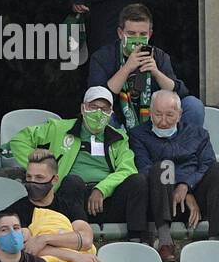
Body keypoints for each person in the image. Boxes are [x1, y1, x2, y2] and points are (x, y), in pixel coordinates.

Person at [8, 87, 148, 244]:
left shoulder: (119, 137)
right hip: (71, 198)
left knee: (138, 180)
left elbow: (127, 169)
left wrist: (101, 189)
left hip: (105, 200)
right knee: (73, 181)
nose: (98, 113)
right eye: (93, 107)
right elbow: (19, 140)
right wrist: (38, 163)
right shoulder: (59, 128)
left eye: (104, 109)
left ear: (111, 112)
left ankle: (137, 240)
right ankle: (68, 237)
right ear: (83, 108)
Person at [127, 91, 219, 262]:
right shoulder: (138, 135)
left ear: (179, 114)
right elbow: (143, 167)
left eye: (169, 115)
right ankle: (164, 241)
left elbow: (206, 164)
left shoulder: (198, 134)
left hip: (193, 202)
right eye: (157, 115)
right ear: (150, 113)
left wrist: (187, 186)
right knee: (161, 168)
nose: (163, 121)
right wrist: (178, 185)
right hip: (158, 201)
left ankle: (217, 238)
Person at [87, 2, 204, 130]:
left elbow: (180, 94)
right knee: (100, 112)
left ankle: (183, 148)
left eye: (143, 34)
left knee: (193, 105)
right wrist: (127, 68)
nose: (137, 39)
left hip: (156, 118)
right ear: (121, 34)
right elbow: (97, 97)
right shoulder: (103, 57)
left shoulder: (159, 56)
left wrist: (156, 72)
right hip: (119, 119)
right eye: (131, 33)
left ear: (150, 34)